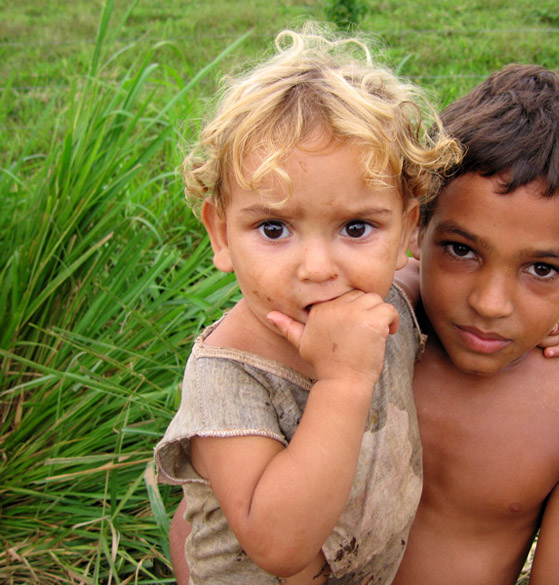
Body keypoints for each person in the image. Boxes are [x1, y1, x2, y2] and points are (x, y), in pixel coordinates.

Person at [153, 25, 462, 585]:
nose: (317, 268)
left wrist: (541, 320)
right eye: (273, 228)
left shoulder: (387, 297)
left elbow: (457, 303)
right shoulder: (228, 378)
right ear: (221, 234)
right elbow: (276, 543)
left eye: (356, 226)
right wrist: (342, 383)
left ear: (404, 233)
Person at [390, 64, 559, 585]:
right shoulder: (364, 337)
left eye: (541, 269)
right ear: (416, 227)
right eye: (462, 250)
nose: (491, 303)